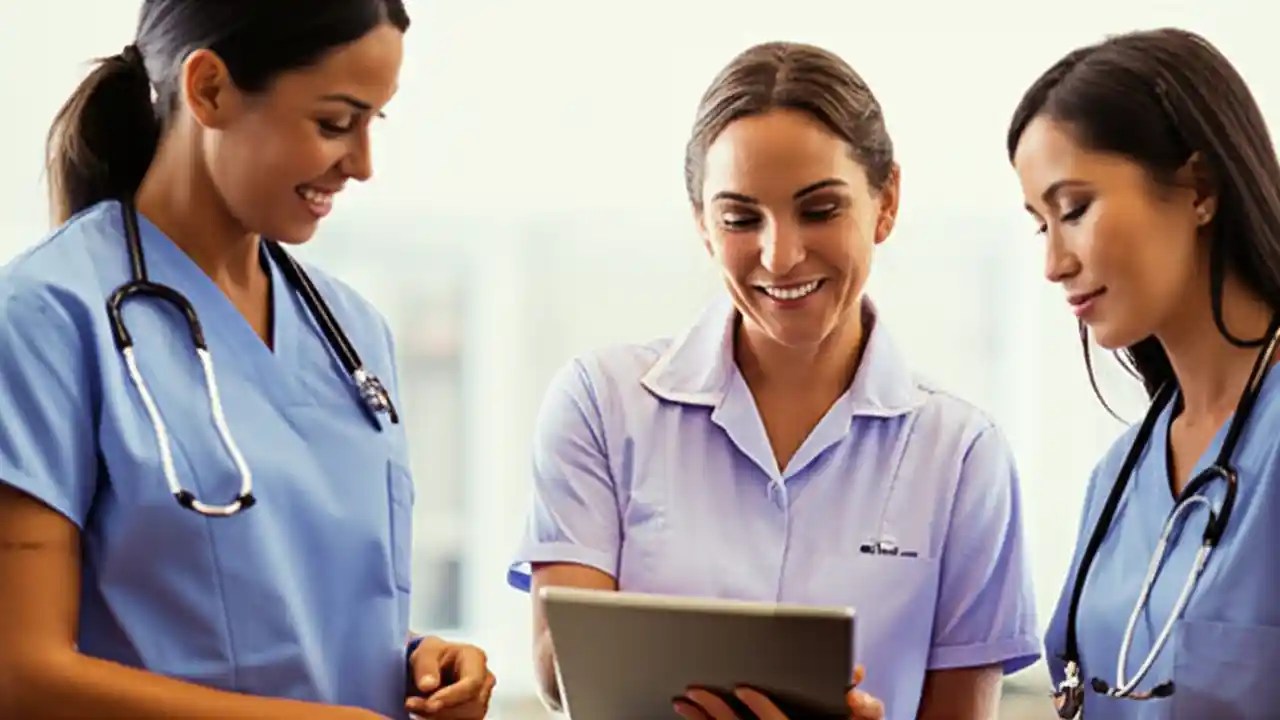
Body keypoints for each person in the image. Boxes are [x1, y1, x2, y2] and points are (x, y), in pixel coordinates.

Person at [507, 41, 1041, 720]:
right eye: (740, 218)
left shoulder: (963, 454)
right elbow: (561, 671)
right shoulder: (600, 403)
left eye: (819, 210)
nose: (779, 255)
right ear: (702, 222)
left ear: (887, 201)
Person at [0, 3, 494, 719]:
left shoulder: (352, 330)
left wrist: (417, 658)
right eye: (334, 123)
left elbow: (284, 612)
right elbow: (22, 676)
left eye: (372, 123)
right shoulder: (45, 316)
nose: (361, 165)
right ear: (209, 89)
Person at [1009, 27, 1280, 720]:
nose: (1054, 263)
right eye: (1042, 225)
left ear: (1200, 189)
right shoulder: (1119, 478)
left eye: (1074, 210)